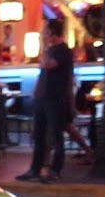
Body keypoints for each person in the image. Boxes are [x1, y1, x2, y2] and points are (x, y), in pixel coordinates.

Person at [17, 18, 75, 182]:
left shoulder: (62, 50)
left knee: (56, 134)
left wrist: (44, 47)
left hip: (55, 98)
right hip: (43, 98)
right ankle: (35, 169)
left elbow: (47, 65)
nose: (44, 34)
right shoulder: (52, 49)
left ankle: (55, 170)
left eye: (46, 31)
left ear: (52, 32)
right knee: (39, 134)